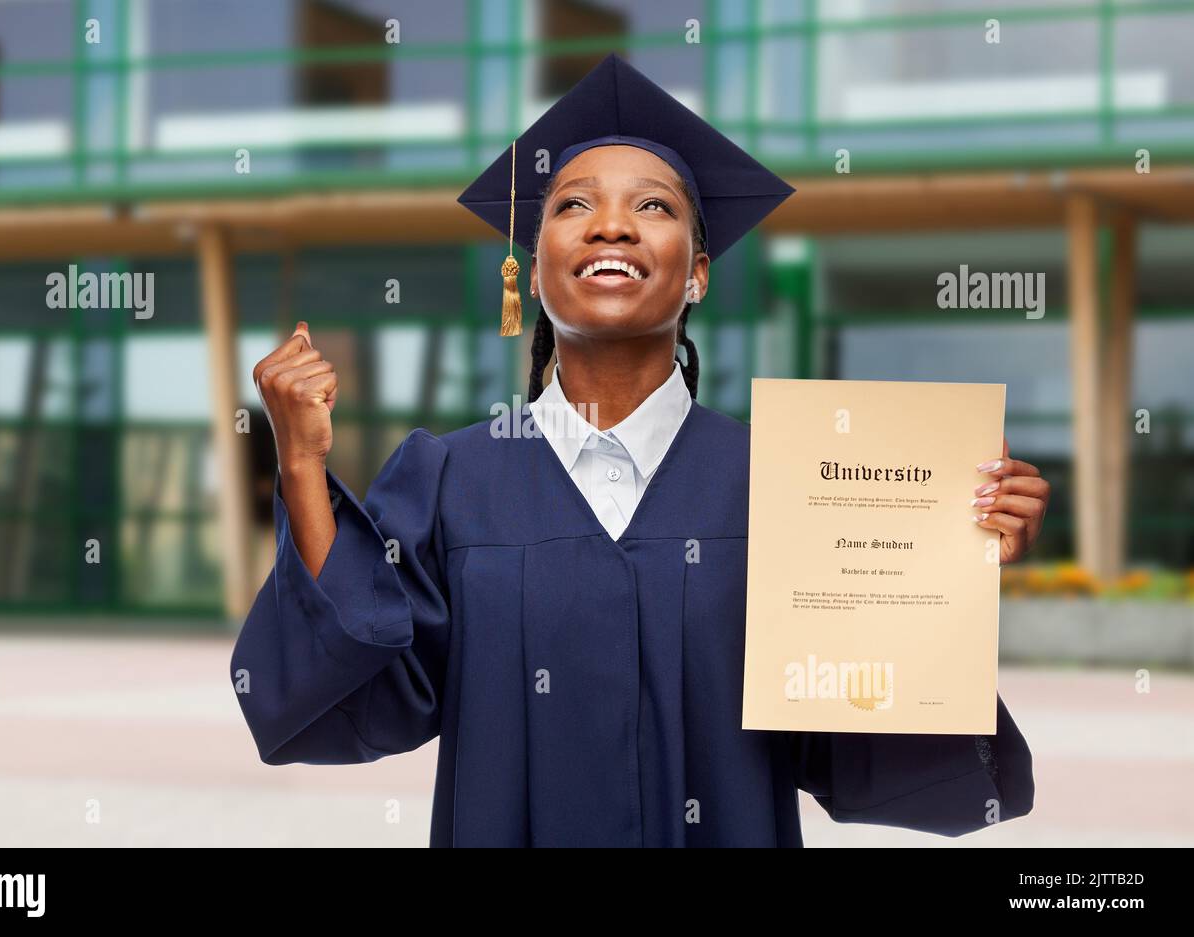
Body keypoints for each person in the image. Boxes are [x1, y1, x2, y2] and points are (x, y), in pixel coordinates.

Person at [231, 54, 1045, 847]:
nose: (612, 223)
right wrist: (301, 466)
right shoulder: (449, 481)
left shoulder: (789, 482)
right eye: (573, 205)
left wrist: (945, 567)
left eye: (652, 206)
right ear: (532, 267)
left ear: (698, 273)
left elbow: (853, 739)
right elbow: (352, 704)